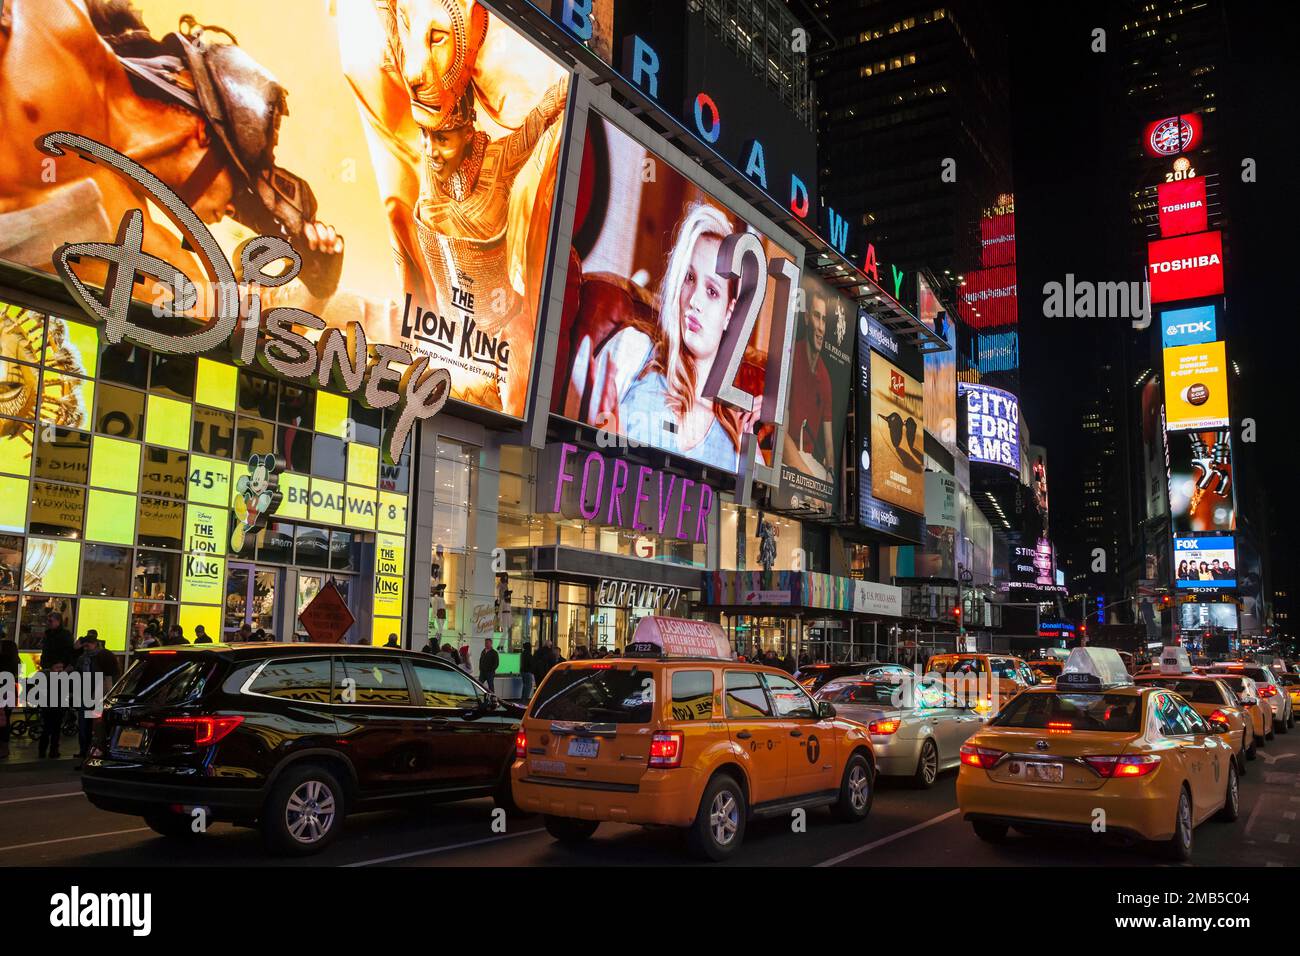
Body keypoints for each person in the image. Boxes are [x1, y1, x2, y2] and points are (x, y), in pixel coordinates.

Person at [582, 202, 763, 471]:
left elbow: (769, 509)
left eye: (712, 291)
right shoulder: (633, 351)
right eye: (689, 278)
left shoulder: (737, 437)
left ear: (729, 312)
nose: (694, 301)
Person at [782, 286, 836, 480]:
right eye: (816, 316)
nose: (821, 327)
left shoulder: (826, 378)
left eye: (824, 320)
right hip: (784, 456)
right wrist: (809, 478)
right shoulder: (791, 357)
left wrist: (830, 476)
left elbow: (829, 446)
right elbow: (779, 432)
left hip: (808, 461)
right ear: (806, 319)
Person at [73, 632, 120, 764]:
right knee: (84, 725)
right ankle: (85, 750)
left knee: (95, 725)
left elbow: (110, 676)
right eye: (85, 646)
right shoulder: (83, 658)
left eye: (88, 645)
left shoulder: (103, 656)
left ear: (94, 644)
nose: (86, 648)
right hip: (86, 693)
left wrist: (107, 693)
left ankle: (93, 751)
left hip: (98, 694)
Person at [0, 636, 19, 759]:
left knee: (2, 721)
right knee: (5, 719)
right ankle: (4, 748)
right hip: (10, 692)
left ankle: (3, 748)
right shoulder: (16, 662)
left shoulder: (3, 663)